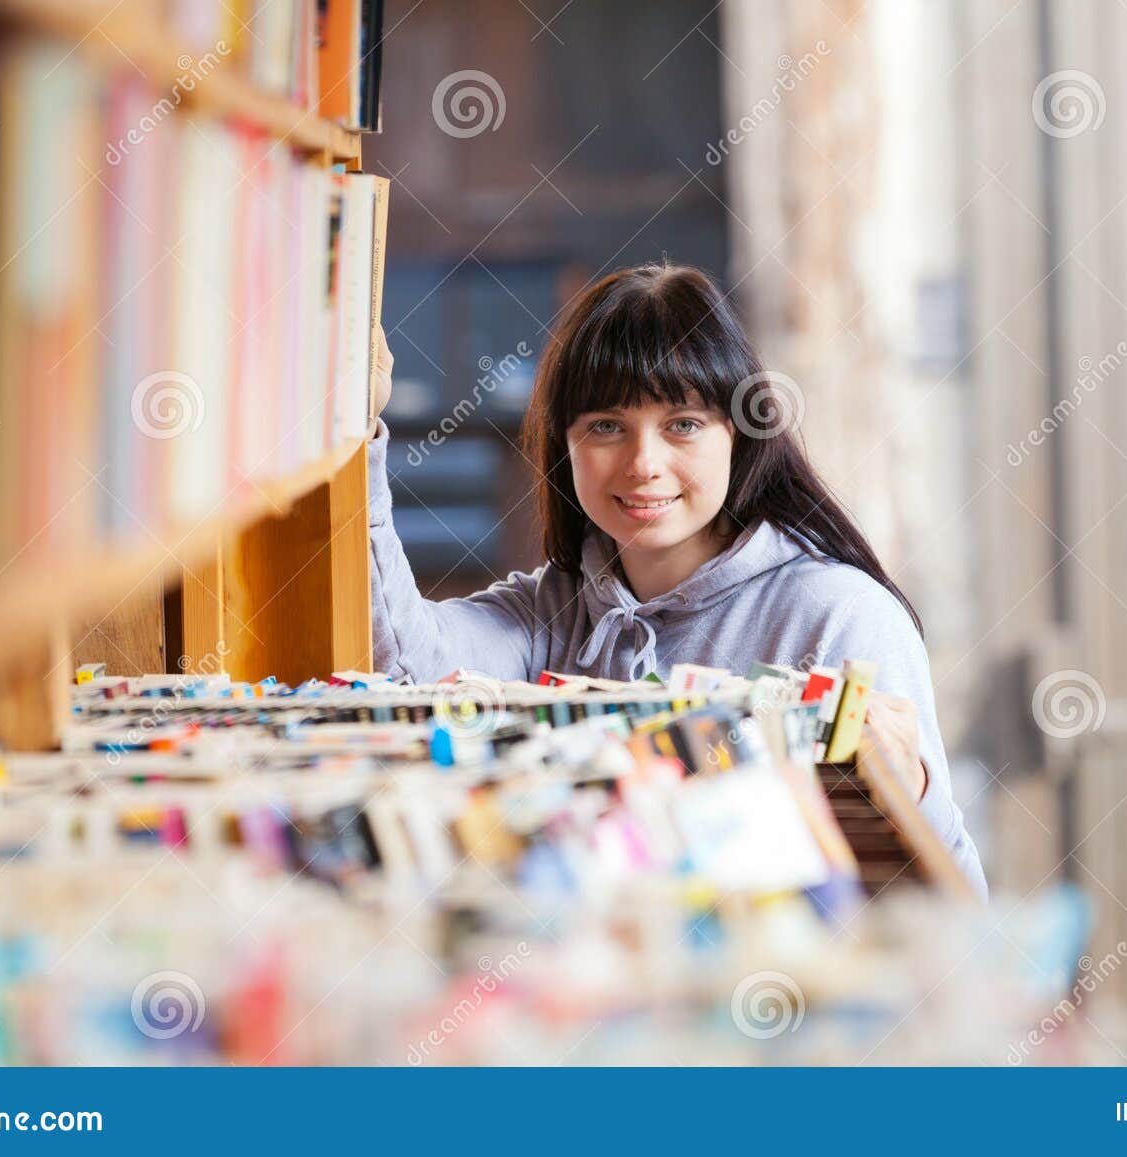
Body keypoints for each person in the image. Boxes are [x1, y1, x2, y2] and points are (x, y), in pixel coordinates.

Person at [365, 262, 986, 897]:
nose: (643, 465)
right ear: (565, 447)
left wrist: (909, 793)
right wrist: (358, 435)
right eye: (606, 426)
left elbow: (957, 918)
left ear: (740, 436)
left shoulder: (840, 616)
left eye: (682, 424)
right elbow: (406, 668)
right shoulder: (548, 612)